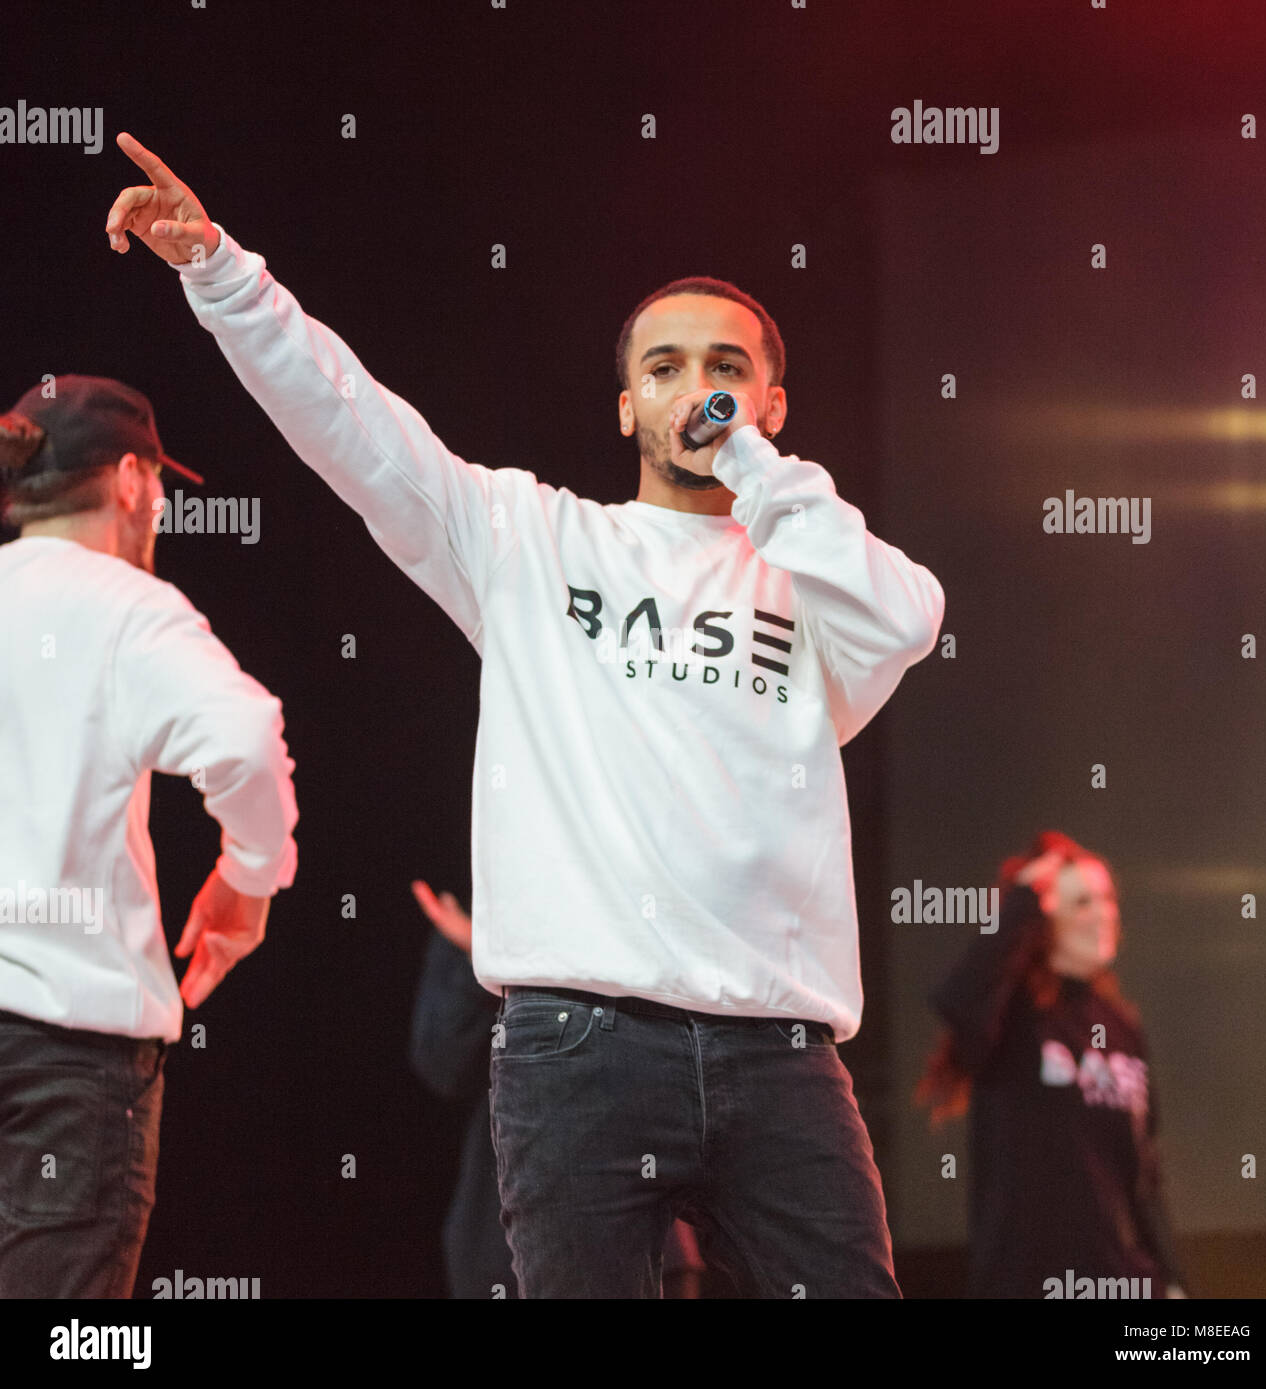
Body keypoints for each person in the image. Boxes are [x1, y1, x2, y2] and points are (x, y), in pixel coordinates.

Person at [105, 131, 944, 1298]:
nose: (693, 388)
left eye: (723, 368)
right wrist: (223, 275)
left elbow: (909, 617)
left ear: (770, 400)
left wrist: (755, 464)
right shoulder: (531, 539)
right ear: (622, 406)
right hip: (577, 1051)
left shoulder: (814, 578)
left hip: (783, 1055)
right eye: (662, 367)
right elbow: (355, 429)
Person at [0, 375, 299, 1298]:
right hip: (63, 1063)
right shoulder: (127, 609)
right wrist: (248, 882)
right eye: (160, 486)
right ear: (131, 480)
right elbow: (246, 741)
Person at [917, 831, 1190, 1299]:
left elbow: (1144, 1172)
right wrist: (1023, 897)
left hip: (1124, 1282)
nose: (1102, 912)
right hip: (1029, 1283)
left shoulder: (1123, 1027)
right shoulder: (1014, 1014)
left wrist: (1173, 1280)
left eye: (1106, 898)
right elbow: (958, 999)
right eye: (1082, 902)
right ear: (1044, 923)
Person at [407, 881, 707, 1298]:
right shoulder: (485, 908)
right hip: (506, 1239)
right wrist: (482, 958)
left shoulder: (637, 885)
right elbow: (441, 1065)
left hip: (647, 1229)